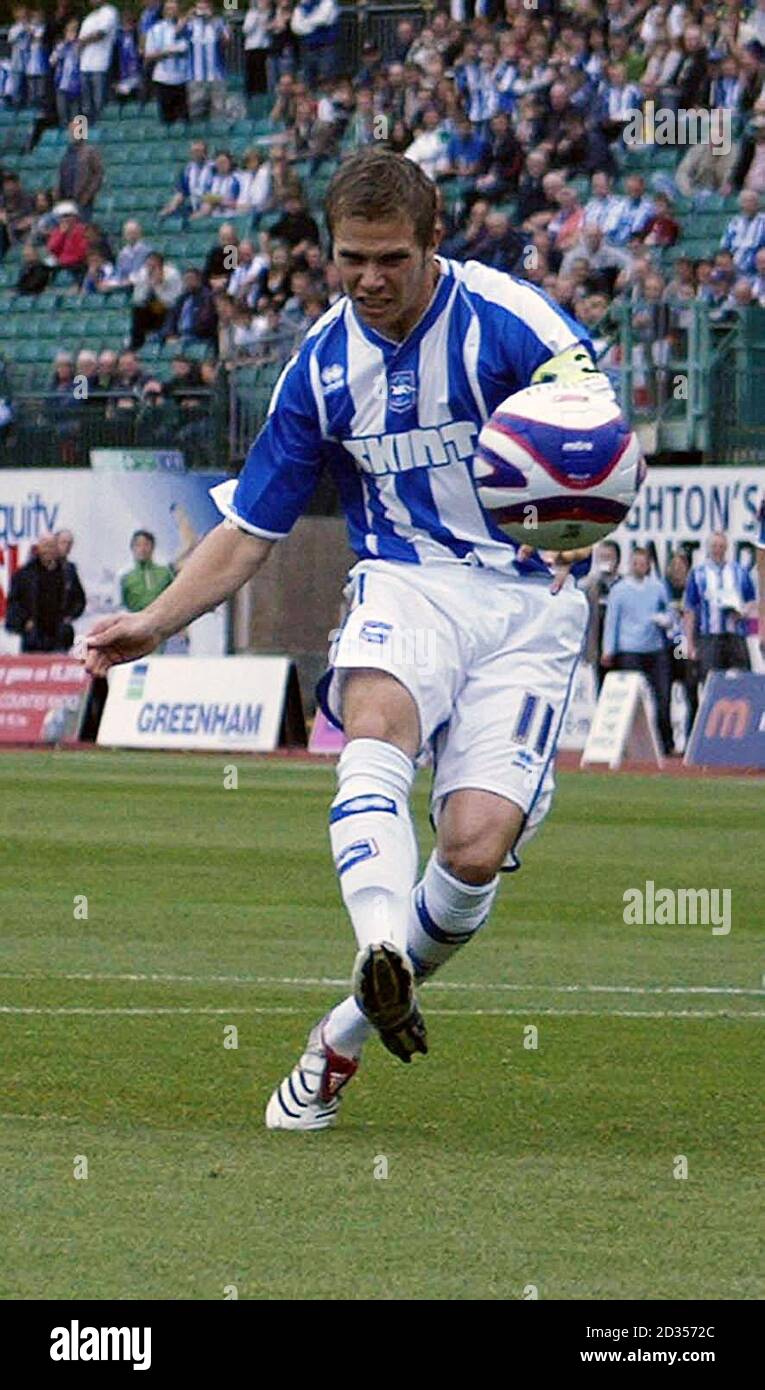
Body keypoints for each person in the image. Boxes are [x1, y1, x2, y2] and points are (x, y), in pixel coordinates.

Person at [84, 148, 605, 1133]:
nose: (369, 278)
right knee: (377, 715)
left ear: (434, 245)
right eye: (350, 257)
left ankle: (343, 1033)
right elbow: (247, 534)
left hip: (528, 602)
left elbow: (603, 433)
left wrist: (585, 524)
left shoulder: (512, 321)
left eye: (391, 259)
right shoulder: (322, 367)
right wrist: (151, 623)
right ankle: (381, 945)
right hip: (404, 582)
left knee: (474, 849)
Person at [601, 546, 674, 755]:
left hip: (655, 648)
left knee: (663, 697)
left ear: (648, 565)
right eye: (635, 563)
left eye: (642, 563)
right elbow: (612, 621)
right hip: (629, 649)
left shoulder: (658, 587)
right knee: (629, 700)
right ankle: (625, 744)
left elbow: (669, 614)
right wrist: (609, 650)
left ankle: (666, 744)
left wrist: (666, 621)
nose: (639, 567)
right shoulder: (620, 589)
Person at [683, 531, 756, 681]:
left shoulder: (740, 572)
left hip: (735, 635)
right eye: (714, 546)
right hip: (709, 636)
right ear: (708, 548)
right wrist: (689, 643)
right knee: (710, 679)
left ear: (727, 548)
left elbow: (752, 602)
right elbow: (690, 609)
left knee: (741, 678)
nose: (718, 550)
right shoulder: (698, 574)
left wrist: (744, 613)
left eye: (721, 546)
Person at [6, 531, 85, 652]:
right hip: (34, 637)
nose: (48, 550)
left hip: (59, 636)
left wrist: (69, 616)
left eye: (51, 546)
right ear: (38, 548)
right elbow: (14, 602)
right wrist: (25, 621)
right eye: (45, 546)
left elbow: (79, 599)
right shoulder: (24, 574)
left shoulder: (68, 573)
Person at [663, 548, 698, 744]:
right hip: (667, 644)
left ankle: (691, 738)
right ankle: (667, 741)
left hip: (685, 643)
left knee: (690, 691)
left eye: (681, 566)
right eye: (674, 566)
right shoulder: (663, 588)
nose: (677, 570)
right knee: (665, 693)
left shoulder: (692, 588)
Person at [144, 0, 189, 126]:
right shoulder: (155, 30)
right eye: (169, 8)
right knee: (167, 120)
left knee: (186, 121)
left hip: (184, 80)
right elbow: (148, 56)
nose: (172, 11)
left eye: (175, 8)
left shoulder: (188, 28)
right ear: (163, 11)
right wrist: (166, 52)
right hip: (163, 79)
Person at [77, 0, 118, 120]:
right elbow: (80, 41)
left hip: (100, 65)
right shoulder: (90, 17)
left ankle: (100, 130)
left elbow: (100, 34)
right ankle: (86, 133)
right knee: (85, 106)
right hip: (85, 65)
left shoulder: (110, 12)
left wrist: (83, 41)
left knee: (99, 103)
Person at [55, 120, 103, 221]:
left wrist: (88, 194)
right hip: (66, 199)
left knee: (81, 227)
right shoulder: (66, 153)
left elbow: (98, 174)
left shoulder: (90, 151)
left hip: (81, 199)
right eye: (72, 131)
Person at [120, 529, 174, 612]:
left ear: (153, 547)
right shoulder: (126, 579)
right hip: (138, 622)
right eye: (138, 545)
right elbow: (124, 607)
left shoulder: (165, 573)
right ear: (132, 548)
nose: (142, 549)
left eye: (146, 544)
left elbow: (174, 599)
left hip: (165, 620)